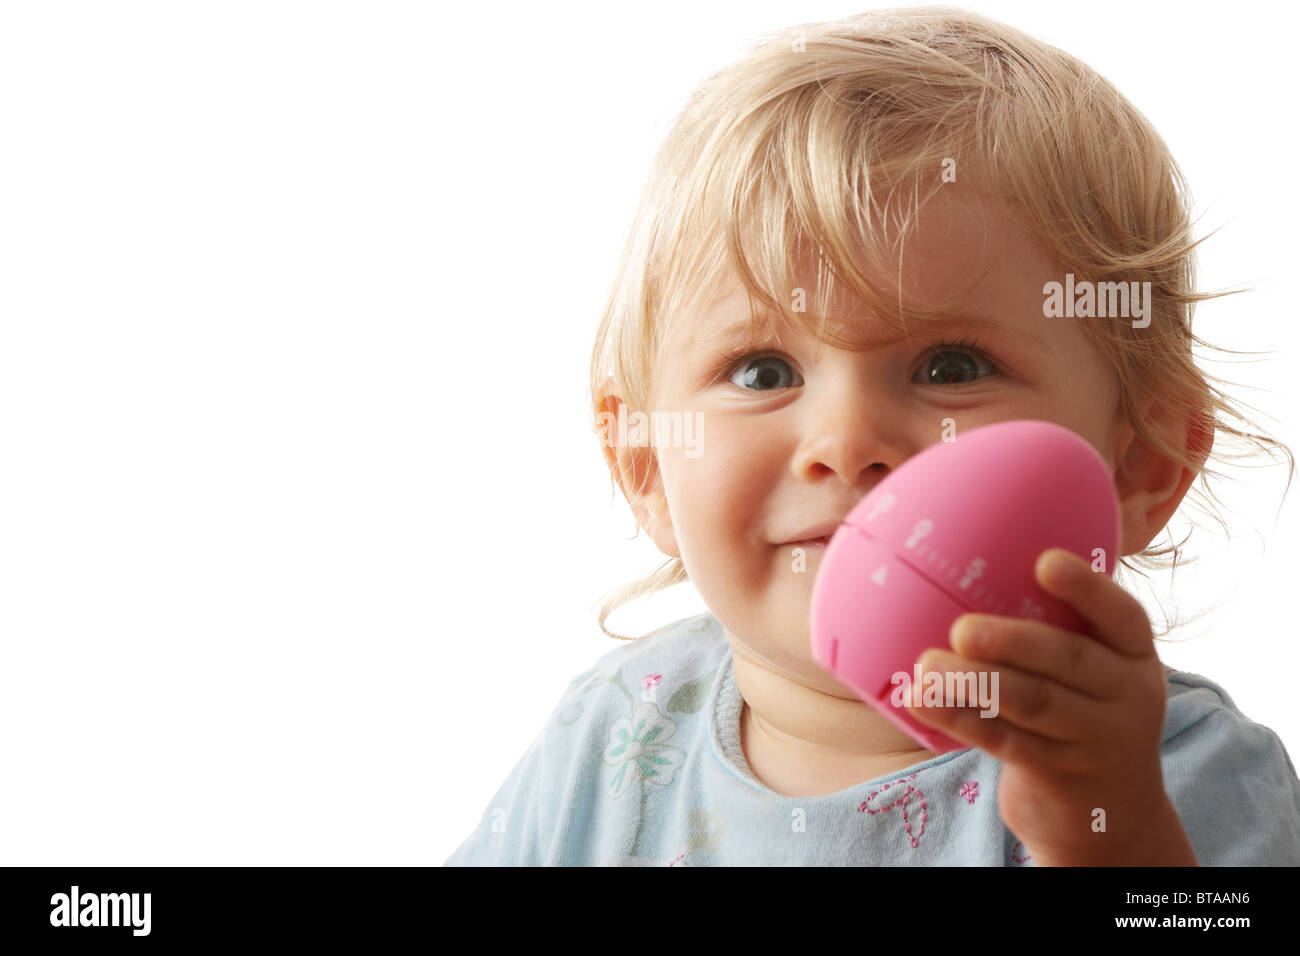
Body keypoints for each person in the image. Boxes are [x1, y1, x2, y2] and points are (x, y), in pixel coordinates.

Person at [444, 6, 1300, 865]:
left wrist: (1102, 823)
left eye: (953, 367)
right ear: (646, 467)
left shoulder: (1171, 769)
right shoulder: (611, 734)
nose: (847, 440)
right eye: (763, 373)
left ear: (1141, 465)